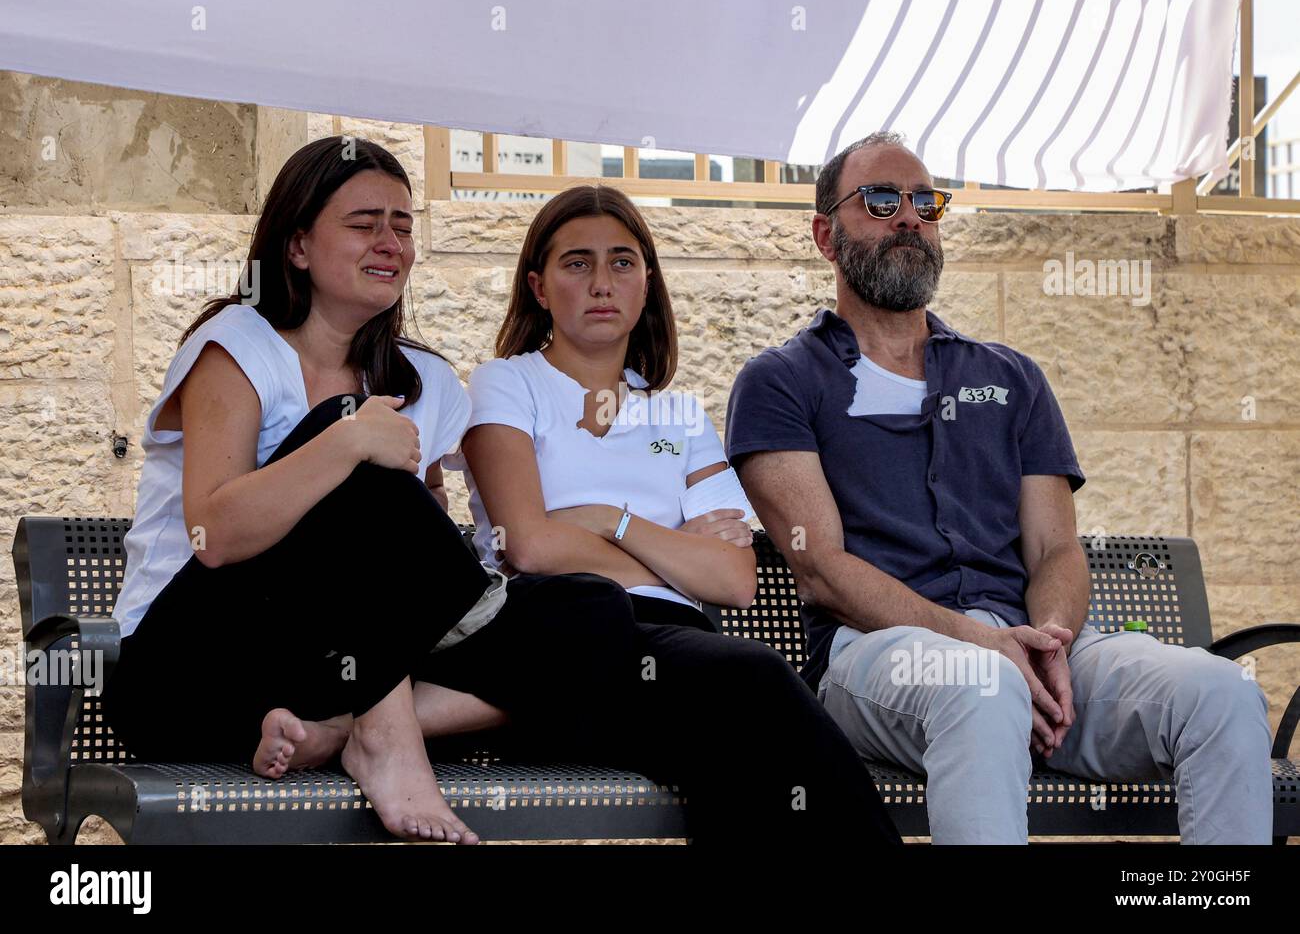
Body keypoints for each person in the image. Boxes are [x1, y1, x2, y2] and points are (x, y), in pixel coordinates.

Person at [725, 131, 1274, 844]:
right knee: (982, 688)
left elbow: (1054, 549)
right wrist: (979, 644)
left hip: (1036, 650)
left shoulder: (1011, 378)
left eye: (927, 203)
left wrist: (1048, 643)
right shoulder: (782, 382)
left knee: (1223, 693)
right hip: (881, 652)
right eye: (882, 200)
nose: (910, 219)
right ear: (826, 235)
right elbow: (822, 568)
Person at [101, 137, 636, 844]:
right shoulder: (238, 343)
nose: (391, 243)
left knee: (596, 611)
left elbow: (409, 549)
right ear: (297, 245)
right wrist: (346, 443)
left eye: (404, 225)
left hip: (307, 691)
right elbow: (215, 536)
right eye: (364, 224)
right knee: (348, 430)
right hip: (187, 671)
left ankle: (346, 729)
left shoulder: (429, 381)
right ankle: (387, 741)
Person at [428, 183, 902, 845]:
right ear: (539, 286)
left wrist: (607, 520)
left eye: (622, 262)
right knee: (756, 684)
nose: (601, 282)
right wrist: (676, 552)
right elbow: (530, 545)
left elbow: (735, 580)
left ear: (646, 283)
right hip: (560, 651)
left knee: (739, 748)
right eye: (576, 263)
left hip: (679, 656)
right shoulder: (506, 384)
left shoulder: (679, 415)